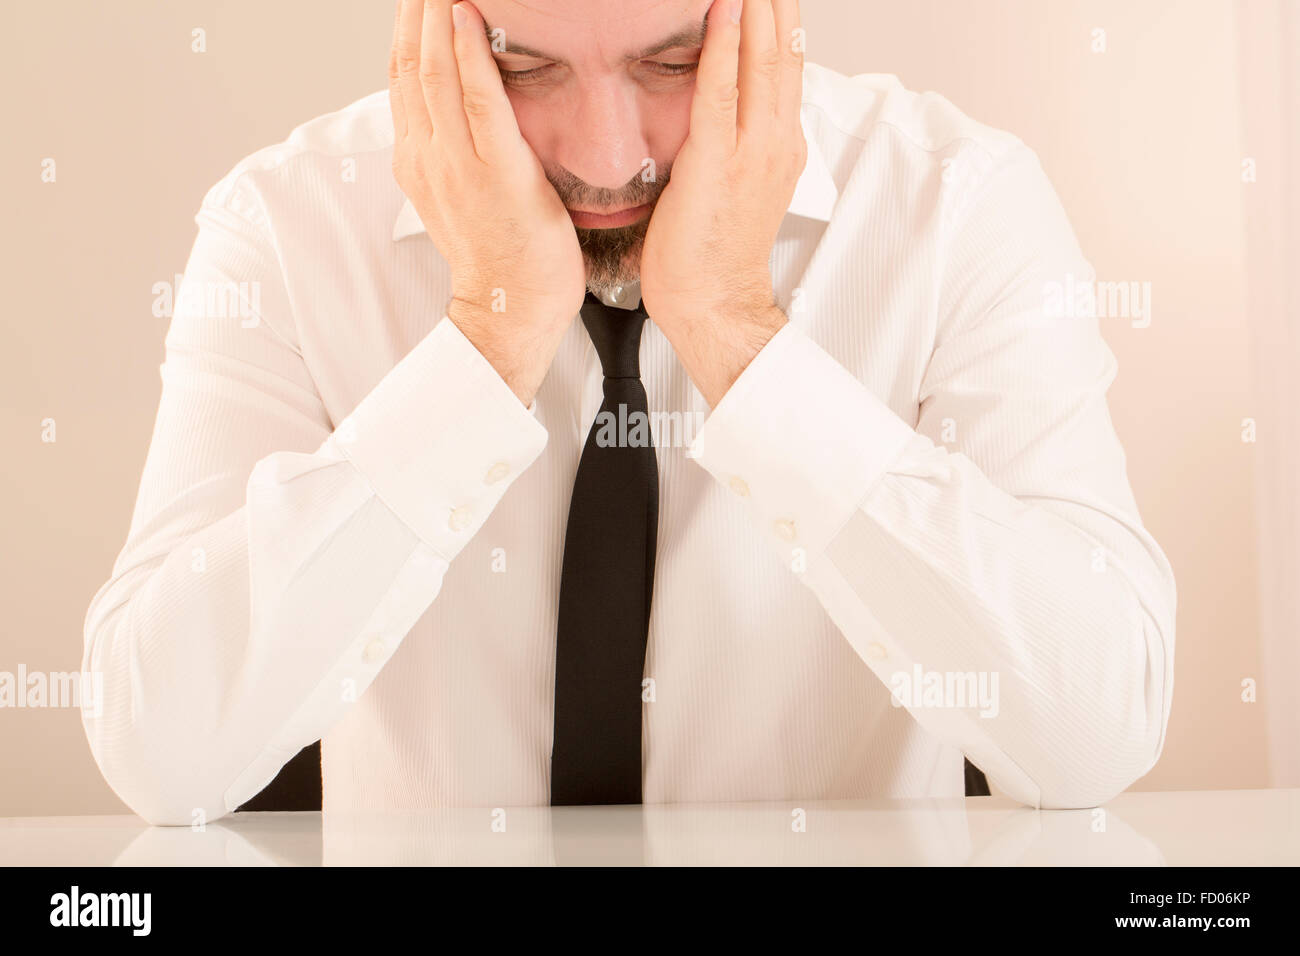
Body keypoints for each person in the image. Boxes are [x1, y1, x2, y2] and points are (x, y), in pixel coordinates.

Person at [82, 0, 1176, 825]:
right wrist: (487, 338)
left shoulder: (955, 202)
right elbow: (163, 754)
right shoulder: (287, 223)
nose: (606, 161)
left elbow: (1090, 734)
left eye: (672, 62)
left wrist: (736, 331)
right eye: (524, 63)